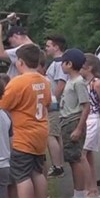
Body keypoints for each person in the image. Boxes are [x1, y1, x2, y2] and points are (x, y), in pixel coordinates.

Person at [2, 44, 54, 198]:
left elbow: (2, 104)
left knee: (22, 175)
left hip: (23, 134)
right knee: (37, 172)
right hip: (40, 131)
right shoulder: (44, 81)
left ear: (20, 62)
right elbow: (47, 102)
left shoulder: (18, 82)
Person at [57, 48, 92, 198]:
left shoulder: (78, 82)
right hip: (66, 121)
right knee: (71, 159)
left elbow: (86, 106)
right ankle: (77, 195)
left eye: (63, 63)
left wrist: (79, 128)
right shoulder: (71, 81)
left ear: (69, 64)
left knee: (75, 159)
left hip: (73, 121)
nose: (61, 66)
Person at [44, 35, 69, 177]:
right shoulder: (55, 63)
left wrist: (53, 101)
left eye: (48, 46)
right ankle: (59, 163)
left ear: (56, 47)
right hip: (55, 104)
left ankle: (57, 166)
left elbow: (61, 84)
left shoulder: (60, 63)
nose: (46, 49)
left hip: (54, 105)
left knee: (51, 135)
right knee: (55, 134)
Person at [82, 53, 100, 198]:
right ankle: (92, 188)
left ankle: (88, 188)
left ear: (89, 67)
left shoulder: (96, 83)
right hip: (85, 118)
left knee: (82, 154)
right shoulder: (83, 82)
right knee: (88, 155)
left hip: (92, 118)